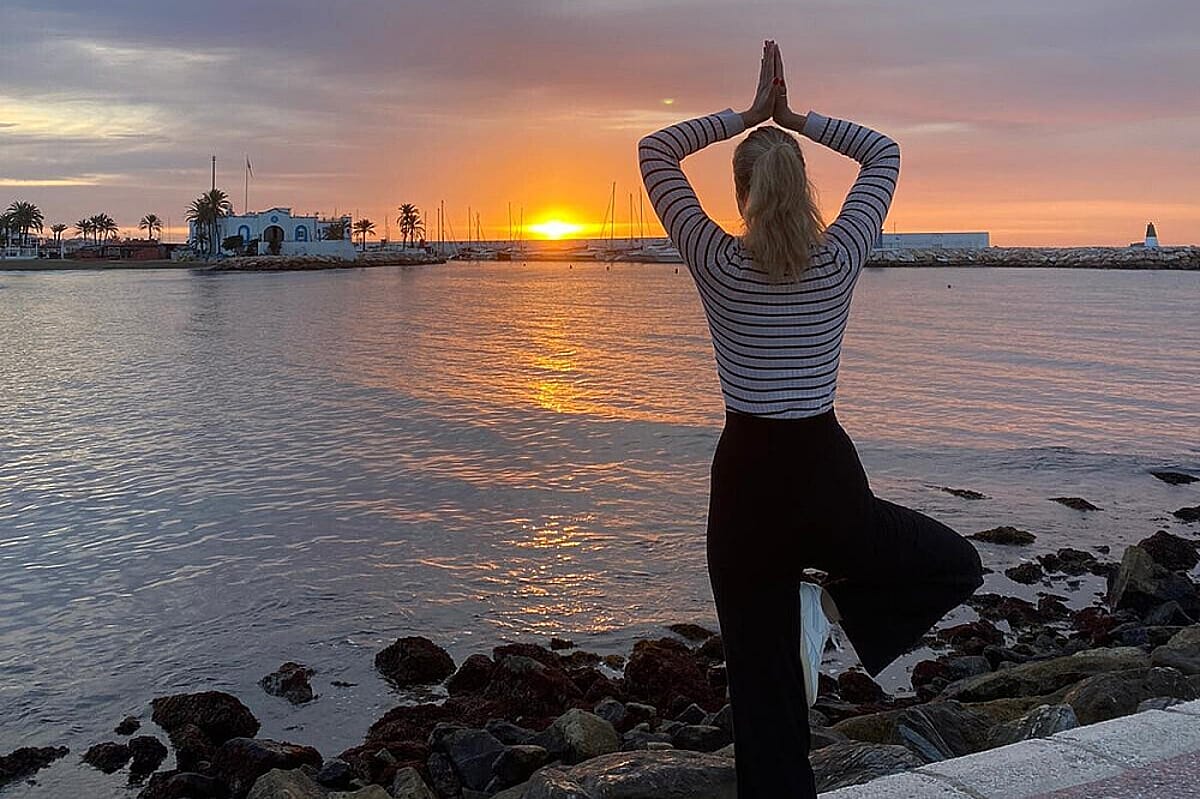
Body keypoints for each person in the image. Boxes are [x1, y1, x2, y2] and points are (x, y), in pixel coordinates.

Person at [638, 41, 985, 797]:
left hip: (745, 489)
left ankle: (820, 615)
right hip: (827, 482)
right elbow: (884, 153)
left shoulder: (716, 261)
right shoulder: (839, 256)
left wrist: (746, 114)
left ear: (741, 193)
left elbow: (655, 150)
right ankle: (838, 600)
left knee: (762, 695)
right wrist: (795, 117)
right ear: (805, 186)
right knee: (956, 564)